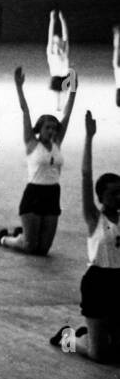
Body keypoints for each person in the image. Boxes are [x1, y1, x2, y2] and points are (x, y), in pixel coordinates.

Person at [52, 111, 120, 362]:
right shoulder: (95, 219)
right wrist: (89, 137)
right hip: (98, 282)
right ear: (100, 197)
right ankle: (68, 337)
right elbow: (85, 175)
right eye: (113, 194)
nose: (118, 198)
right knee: (99, 355)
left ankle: (93, 333)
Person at [0, 66, 75, 256]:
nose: (52, 131)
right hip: (34, 194)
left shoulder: (57, 143)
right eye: (48, 128)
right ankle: (5, 238)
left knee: (43, 249)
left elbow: (67, 114)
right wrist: (19, 87)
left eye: (54, 128)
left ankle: (22, 233)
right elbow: (25, 111)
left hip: (53, 193)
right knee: (31, 248)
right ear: (40, 129)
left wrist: (73, 90)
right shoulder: (31, 143)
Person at [46, 10, 71, 114]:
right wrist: (52, 20)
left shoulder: (64, 52)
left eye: (57, 41)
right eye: (54, 42)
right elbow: (50, 36)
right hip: (55, 78)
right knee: (57, 106)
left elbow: (65, 36)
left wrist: (62, 20)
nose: (56, 43)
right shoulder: (50, 54)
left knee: (64, 104)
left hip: (65, 77)